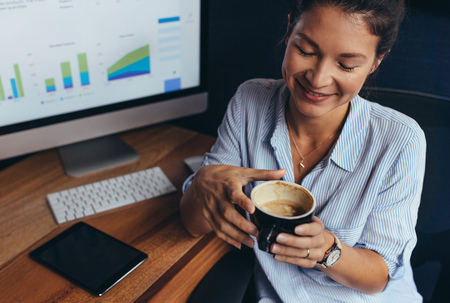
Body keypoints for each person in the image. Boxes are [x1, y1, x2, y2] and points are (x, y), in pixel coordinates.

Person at [180, 0, 426, 301]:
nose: (318, 79)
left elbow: (380, 277)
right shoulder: (249, 102)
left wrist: (326, 250)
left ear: (376, 61)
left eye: (347, 65)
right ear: (288, 30)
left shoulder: (402, 140)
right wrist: (203, 181)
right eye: (306, 51)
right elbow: (194, 224)